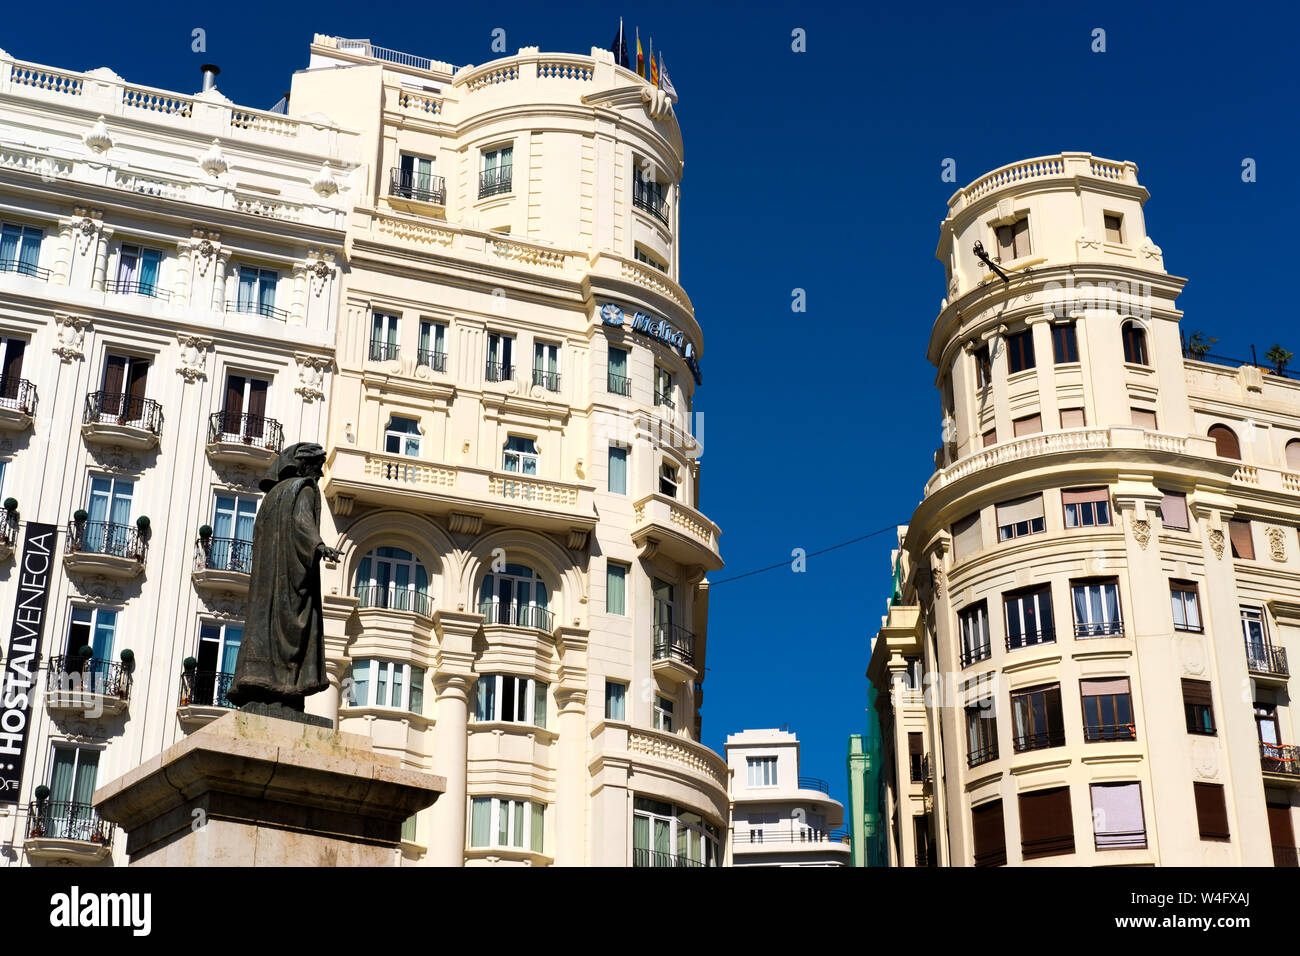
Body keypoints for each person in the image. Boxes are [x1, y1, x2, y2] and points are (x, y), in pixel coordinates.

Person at [227, 442, 342, 712]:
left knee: (263, 629)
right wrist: (319, 546)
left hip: (266, 585)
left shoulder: (271, 497)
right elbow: (303, 522)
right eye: (317, 467)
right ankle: (286, 689)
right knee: (291, 631)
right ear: (302, 465)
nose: (320, 474)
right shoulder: (303, 488)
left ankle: (259, 682)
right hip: (289, 581)